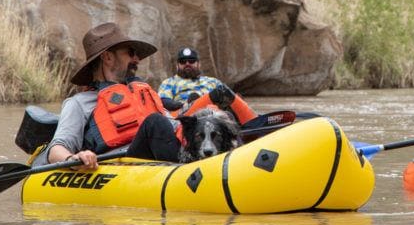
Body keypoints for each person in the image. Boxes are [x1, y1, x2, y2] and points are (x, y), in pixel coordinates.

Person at [33, 22, 182, 168]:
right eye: (131, 53)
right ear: (108, 57)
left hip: (158, 163)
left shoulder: (144, 94)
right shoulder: (79, 103)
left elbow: (175, 128)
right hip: (122, 170)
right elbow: (56, 150)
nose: (137, 59)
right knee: (155, 122)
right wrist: (74, 158)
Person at [157, 47, 256, 125]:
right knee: (220, 92)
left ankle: (254, 124)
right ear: (177, 65)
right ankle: (252, 122)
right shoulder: (170, 82)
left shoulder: (212, 81)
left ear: (198, 64)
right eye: (183, 61)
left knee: (226, 95)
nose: (187, 63)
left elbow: (229, 96)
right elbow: (164, 102)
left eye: (191, 61)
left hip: (214, 112)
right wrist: (186, 105)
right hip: (184, 114)